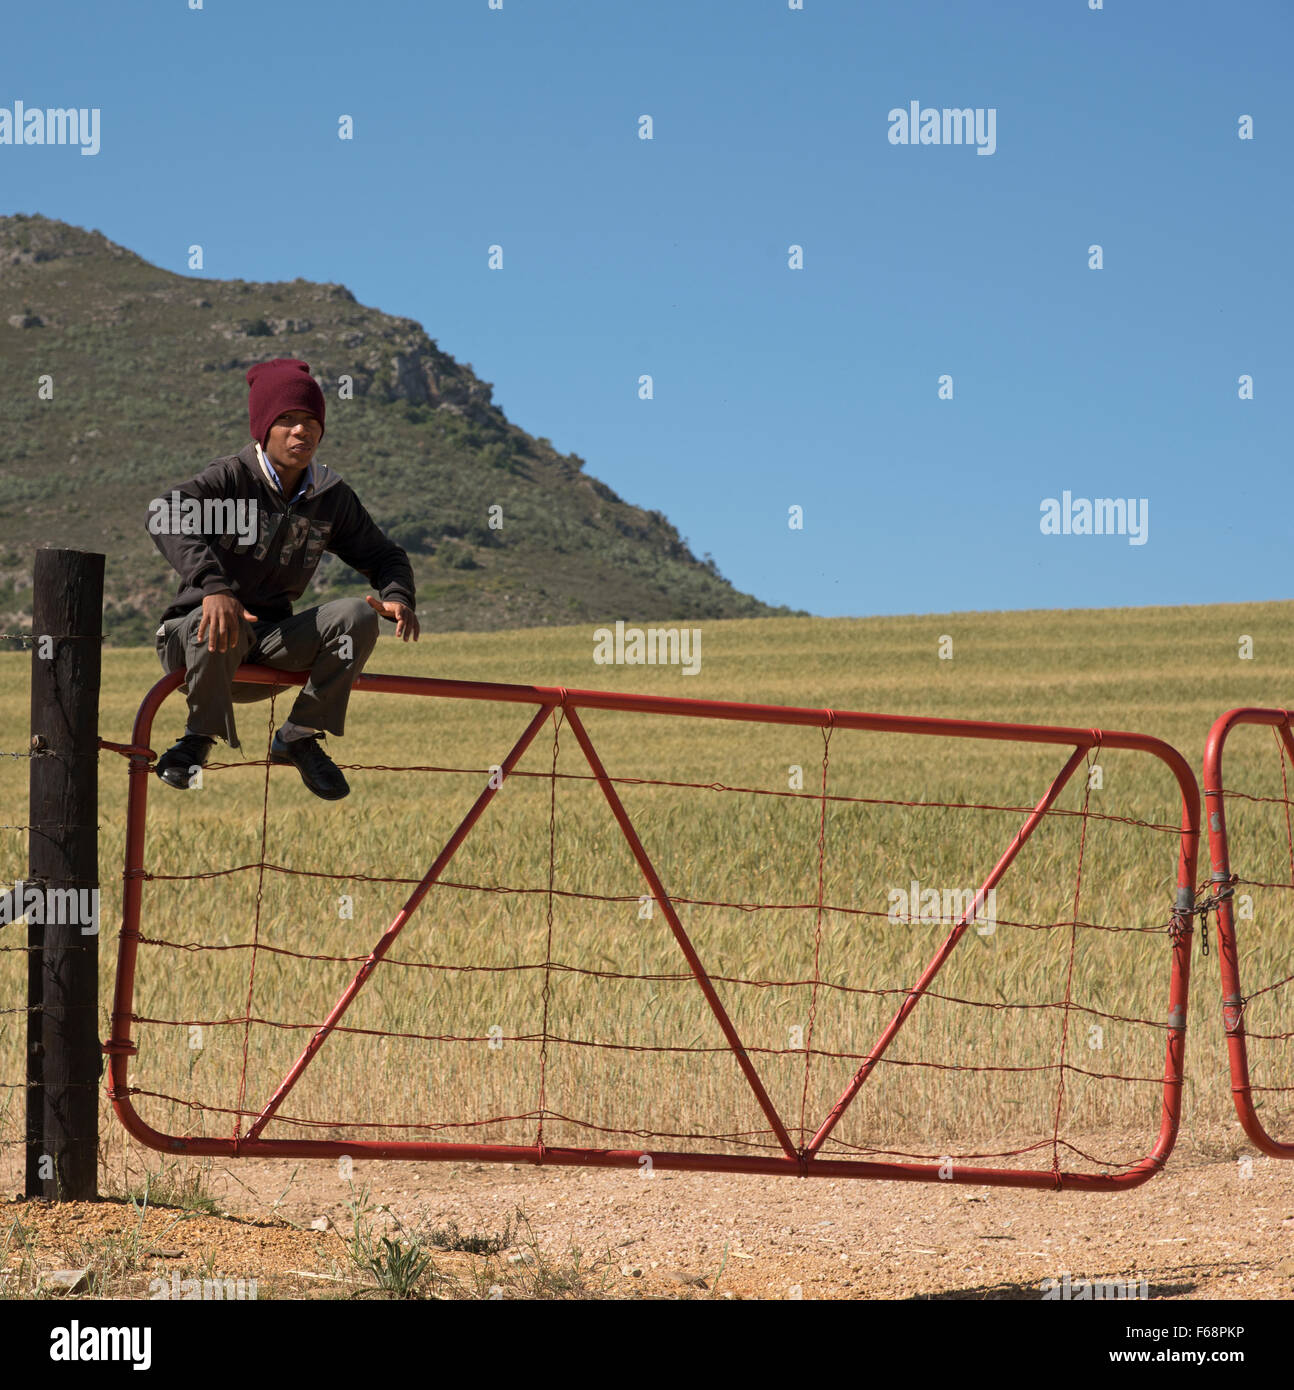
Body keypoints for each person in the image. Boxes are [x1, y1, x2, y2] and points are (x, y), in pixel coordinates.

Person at [149, 357, 419, 800]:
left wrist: (397, 595)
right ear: (264, 428)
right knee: (219, 620)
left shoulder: (329, 497)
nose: (302, 431)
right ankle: (196, 739)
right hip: (193, 642)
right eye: (288, 420)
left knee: (357, 616)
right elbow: (163, 512)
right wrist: (213, 587)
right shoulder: (230, 480)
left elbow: (384, 554)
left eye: (311, 421)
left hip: (268, 644)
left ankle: (298, 736)